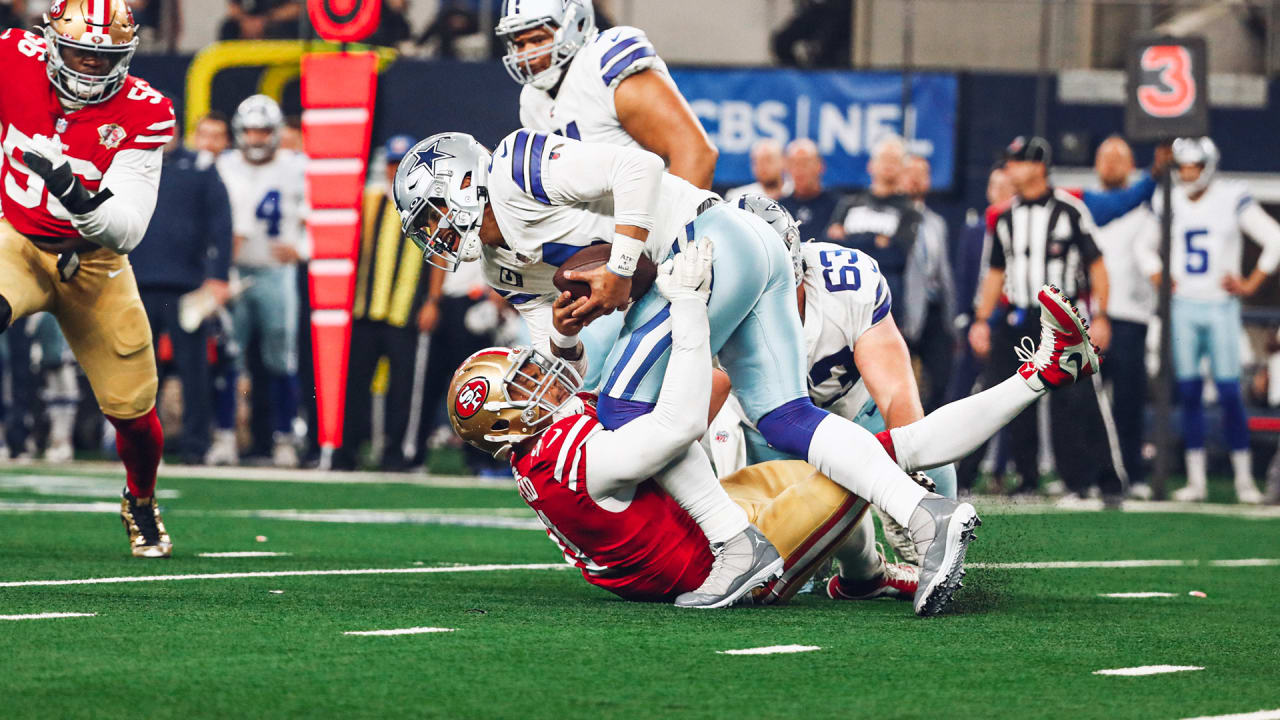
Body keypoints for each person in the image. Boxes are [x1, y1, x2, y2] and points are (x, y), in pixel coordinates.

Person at [394, 130, 981, 616]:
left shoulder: (517, 168)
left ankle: (735, 547)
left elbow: (638, 167)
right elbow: (556, 350)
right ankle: (924, 513)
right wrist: (569, 336)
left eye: (436, 214)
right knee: (784, 416)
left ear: (465, 182)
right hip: (739, 251)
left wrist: (622, 266)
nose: (437, 233)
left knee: (628, 414)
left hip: (705, 243)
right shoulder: (502, 268)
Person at [0, 1, 175, 556]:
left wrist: (72, 188)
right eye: (79, 52)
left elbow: (125, 230)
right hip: (17, 242)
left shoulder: (146, 111)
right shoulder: (12, 57)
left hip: (95, 266)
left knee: (134, 410)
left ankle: (141, 500)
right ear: (49, 41)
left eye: (105, 57)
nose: (91, 68)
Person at [969, 136, 1125, 505]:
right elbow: (994, 272)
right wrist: (980, 320)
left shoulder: (1070, 210)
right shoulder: (1005, 217)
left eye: (1017, 162)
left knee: (1078, 401)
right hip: (1017, 317)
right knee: (1001, 396)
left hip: (1063, 321)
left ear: (1038, 166)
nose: (1009, 169)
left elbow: (1097, 265)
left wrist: (1101, 314)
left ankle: (1100, 483)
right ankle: (1024, 480)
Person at [1137, 137, 1280, 504]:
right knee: (1189, 394)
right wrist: (1157, 273)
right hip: (1183, 305)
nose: (1186, 173)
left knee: (1231, 394)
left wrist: (1249, 282)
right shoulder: (1166, 198)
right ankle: (1197, 481)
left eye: (1193, 166)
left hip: (1220, 306)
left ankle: (1244, 480)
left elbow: (1274, 238)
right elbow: (1143, 246)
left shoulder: (1231, 196)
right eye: (1182, 166)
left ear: (1208, 166)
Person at [496, 0, 717, 190]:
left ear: (576, 25)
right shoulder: (532, 101)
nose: (527, 54)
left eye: (537, 40)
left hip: (653, 221)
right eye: (519, 43)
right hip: (605, 231)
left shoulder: (602, 65)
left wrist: (670, 234)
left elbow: (696, 153)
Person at [217, 94, 308, 468]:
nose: (255, 138)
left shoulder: (297, 166)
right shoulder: (224, 165)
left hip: (275, 272)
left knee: (280, 358)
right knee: (228, 355)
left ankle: (284, 438)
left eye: (263, 131)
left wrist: (302, 248)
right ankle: (225, 437)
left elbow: (318, 213)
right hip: (233, 271)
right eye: (250, 130)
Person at [131, 138, 233, 465]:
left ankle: (195, 444)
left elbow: (221, 222)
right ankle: (137, 444)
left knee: (194, 369)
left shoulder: (201, 166)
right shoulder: (131, 162)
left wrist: (218, 275)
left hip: (187, 285)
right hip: (139, 281)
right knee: (139, 368)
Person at [334, 135, 430, 472]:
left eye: (402, 163)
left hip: (405, 310)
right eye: (392, 163)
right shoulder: (368, 201)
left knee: (403, 389)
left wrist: (432, 301)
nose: (396, 169)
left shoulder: (429, 206)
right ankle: (345, 452)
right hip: (363, 308)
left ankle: (394, 456)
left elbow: (438, 258)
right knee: (353, 385)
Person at [1092, 136, 1157, 499]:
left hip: (1131, 315)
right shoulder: (1085, 205)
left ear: (1131, 164)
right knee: (1087, 402)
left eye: (1119, 158)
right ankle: (1087, 474)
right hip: (1088, 318)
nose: (1112, 164)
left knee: (1129, 401)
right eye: (1105, 157)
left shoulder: (1147, 209)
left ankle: (1133, 472)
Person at [827, 135, 922, 329]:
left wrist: (850, 241)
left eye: (894, 160)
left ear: (904, 169)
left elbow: (897, 256)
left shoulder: (910, 211)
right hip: (842, 301)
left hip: (884, 305)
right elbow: (829, 248)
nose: (888, 165)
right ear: (871, 165)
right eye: (884, 159)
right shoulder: (849, 204)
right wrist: (874, 240)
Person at [901, 154, 955, 413]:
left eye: (922, 173)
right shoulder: (893, 217)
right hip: (900, 311)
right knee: (901, 383)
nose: (915, 178)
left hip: (934, 312)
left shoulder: (936, 222)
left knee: (941, 382)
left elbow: (943, 274)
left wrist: (952, 318)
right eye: (909, 172)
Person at [779, 138, 839, 244]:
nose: (799, 170)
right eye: (794, 163)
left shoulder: (838, 205)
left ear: (820, 166)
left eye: (805, 163)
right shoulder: (780, 209)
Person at [724, 139, 793, 203]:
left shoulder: (796, 194)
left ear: (783, 162)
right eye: (756, 162)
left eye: (768, 160)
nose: (763, 166)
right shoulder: (738, 198)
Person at [219, 0, 300, 40]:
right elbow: (233, 7)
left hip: (275, 22)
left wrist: (266, 20)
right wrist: (246, 22)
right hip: (245, 25)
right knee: (228, 28)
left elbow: (297, 8)